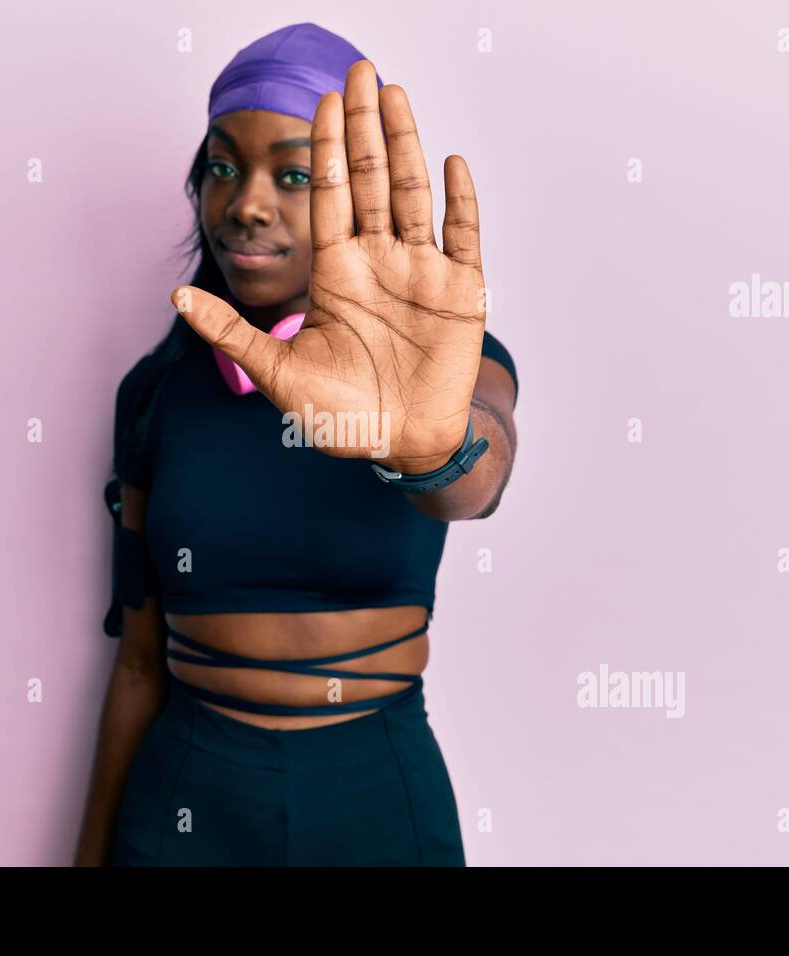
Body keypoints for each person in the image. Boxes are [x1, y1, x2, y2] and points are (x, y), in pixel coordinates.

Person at [74, 22, 518, 867]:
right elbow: (137, 662)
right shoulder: (156, 392)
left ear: (357, 192)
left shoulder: (441, 366)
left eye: (294, 174)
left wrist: (432, 444)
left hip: (374, 790)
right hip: (188, 796)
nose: (246, 204)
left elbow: (480, 476)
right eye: (222, 167)